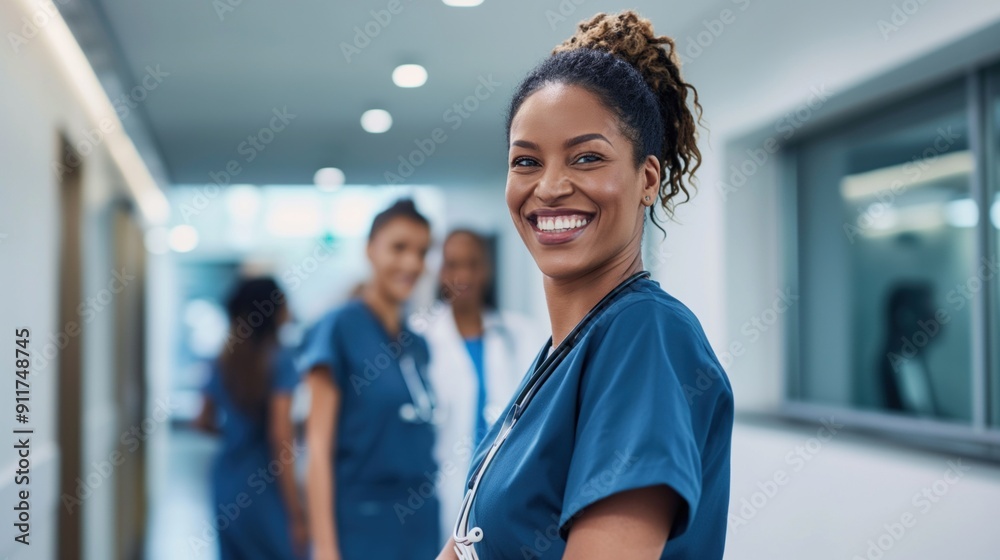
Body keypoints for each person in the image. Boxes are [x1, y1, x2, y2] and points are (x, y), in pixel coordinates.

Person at [440, 11, 734, 560]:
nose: (549, 187)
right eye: (526, 161)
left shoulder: (646, 336)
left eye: (587, 157)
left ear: (648, 178)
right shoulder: (560, 357)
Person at [299, 198, 439, 560]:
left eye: (421, 252)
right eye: (399, 247)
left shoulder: (418, 345)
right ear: (369, 250)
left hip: (422, 524)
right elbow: (317, 449)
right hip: (363, 526)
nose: (411, 262)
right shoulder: (339, 330)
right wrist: (325, 548)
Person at [413, 229, 546, 545]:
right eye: (453, 264)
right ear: (441, 271)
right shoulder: (420, 339)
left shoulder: (521, 334)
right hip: (439, 498)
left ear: (487, 269)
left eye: (474, 264)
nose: (464, 275)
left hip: (507, 494)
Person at [193, 276, 307, 560]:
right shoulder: (281, 359)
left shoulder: (222, 359)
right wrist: (297, 511)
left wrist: (236, 433)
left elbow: (202, 421)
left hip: (227, 481)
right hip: (266, 486)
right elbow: (280, 436)